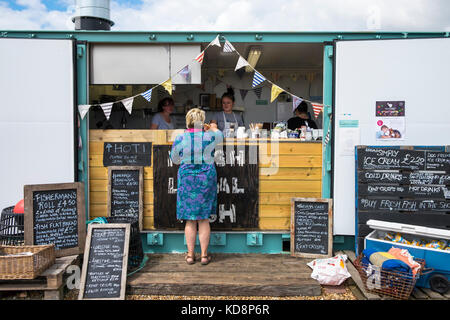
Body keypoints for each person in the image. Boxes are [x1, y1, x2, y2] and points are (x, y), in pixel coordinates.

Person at [170, 108, 223, 265]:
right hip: (206, 178)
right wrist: (212, 127)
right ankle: (205, 256)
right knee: (203, 219)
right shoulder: (210, 136)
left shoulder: (181, 138)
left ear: (188, 121)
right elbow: (219, 135)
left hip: (187, 180)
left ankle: (190, 255)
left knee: (190, 220)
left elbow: (174, 158)